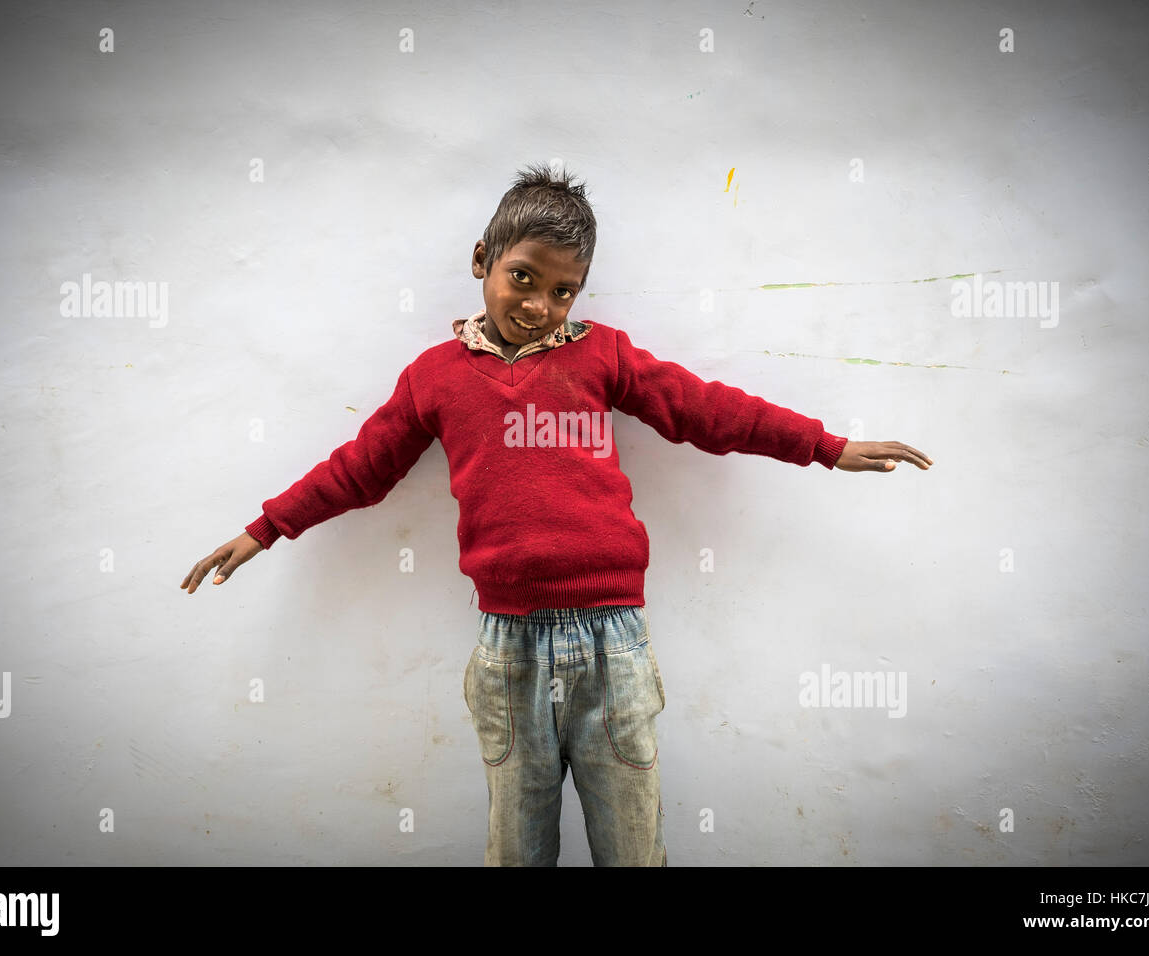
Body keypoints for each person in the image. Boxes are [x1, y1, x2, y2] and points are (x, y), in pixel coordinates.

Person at [180, 162, 932, 866]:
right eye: (522, 278)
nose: (540, 306)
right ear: (483, 260)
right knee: (518, 850)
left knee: (632, 846)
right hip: (507, 651)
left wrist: (825, 447)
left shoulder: (602, 356)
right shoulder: (433, 378)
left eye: (564, 291)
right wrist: (265, 528)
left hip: (615, 643)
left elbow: (706, 410)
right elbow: (361, 467)